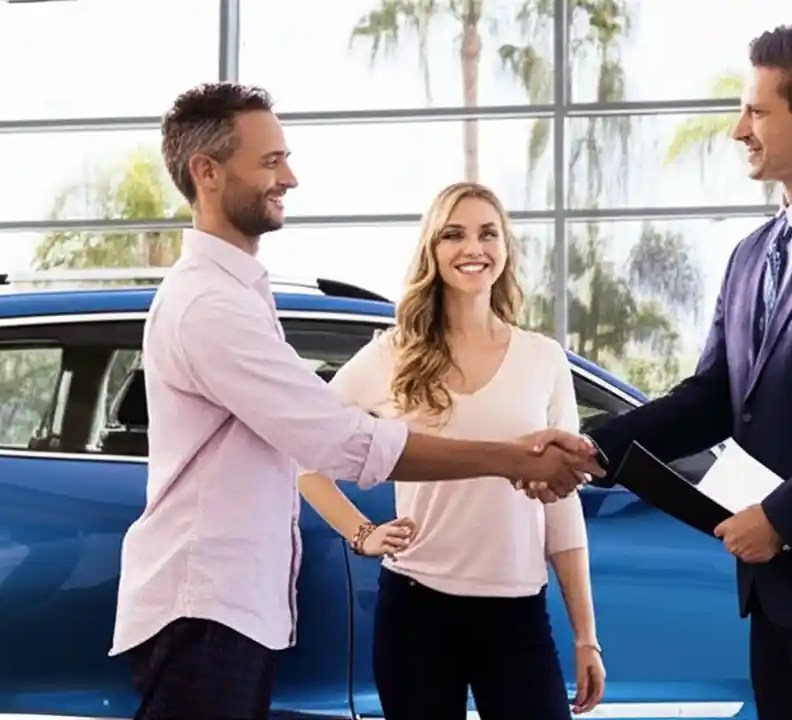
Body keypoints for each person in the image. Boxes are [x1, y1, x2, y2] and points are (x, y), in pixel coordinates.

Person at [109, 82, 602, 720]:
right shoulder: (212, 306)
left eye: (488, 233)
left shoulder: (238, 294)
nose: (290, 177)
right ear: (207, 172)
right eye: (271, 161)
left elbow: (307, 437)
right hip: (213, 603)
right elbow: (337, 439)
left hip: (232, 604)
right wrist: (510, 458)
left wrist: (585, 631)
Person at [540, 24, 792, 719]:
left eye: (757, 111)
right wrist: (596, 449)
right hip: (774, 591)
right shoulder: (751, 255)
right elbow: (713, 397)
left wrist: (783, 518)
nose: (738, 130)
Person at [297, 181, 606, 720]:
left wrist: (587, 637)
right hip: (416, 608)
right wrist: (361, 533)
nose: (473, 248)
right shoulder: (395, 354)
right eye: (454, 235)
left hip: (516, 613)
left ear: (505, 247)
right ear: (432, 249)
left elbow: (562, 502)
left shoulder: (543, 359)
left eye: (488, 234)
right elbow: (304, 449)